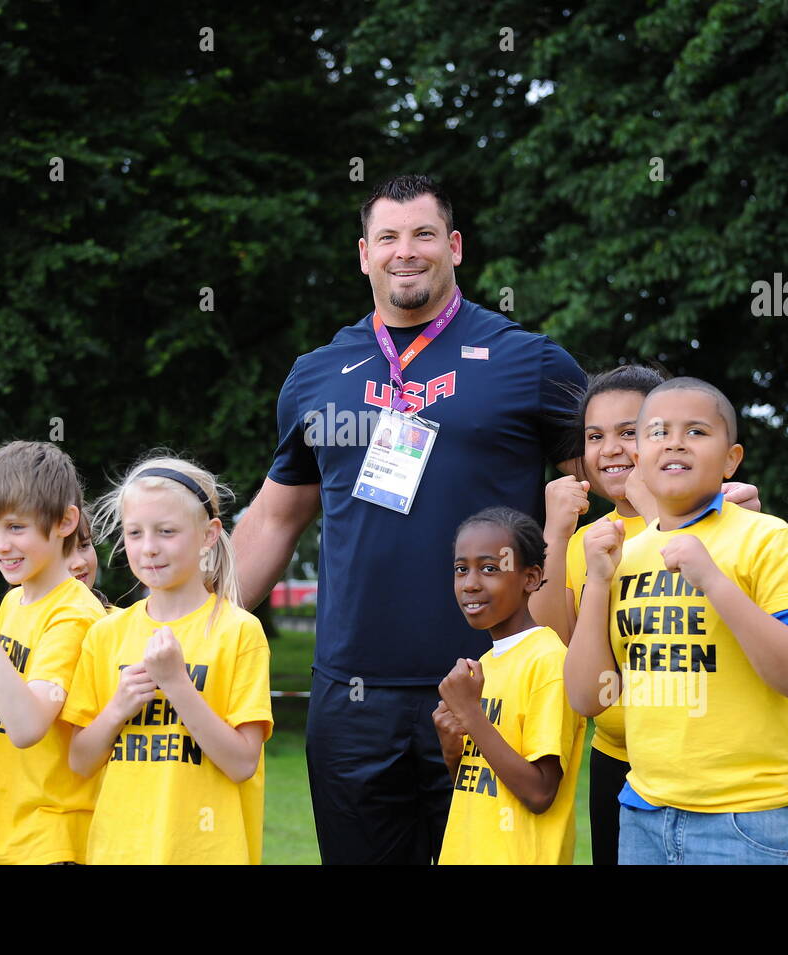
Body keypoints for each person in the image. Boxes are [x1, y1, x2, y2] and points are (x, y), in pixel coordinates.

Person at [231, 173, 587, 864]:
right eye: (387, 237)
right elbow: (275, 520)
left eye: (424, 234)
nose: (406, 251)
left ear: (453, 245)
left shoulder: (532, 361)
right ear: (363, 254)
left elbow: (603, 490)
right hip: (351, 691)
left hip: (494, 679)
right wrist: (194, 627)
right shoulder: (315, 372)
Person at [566, 377, 788, 864]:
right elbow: (588, 698)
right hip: (641, 812)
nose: (675, 442)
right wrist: (599, 583)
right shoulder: (621, 555)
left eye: (697, 432)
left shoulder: (770, 539)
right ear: (639, 459)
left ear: (731, 458)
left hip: (747, 817)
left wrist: (713, 580)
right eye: (658, 431)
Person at [529, 364, 763, 864]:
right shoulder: (588, 542)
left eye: (629, 432)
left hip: (710, 768)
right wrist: (553, 532)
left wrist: (648, 501)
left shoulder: (727, 510)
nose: (610, 448)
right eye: (595, 436)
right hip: (618, 761)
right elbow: (555, 642)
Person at [63, 454, 273, 864]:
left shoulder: (238, 632)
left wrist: (177, 684)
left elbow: (241, 762)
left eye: (167, 532)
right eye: (135, 533)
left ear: (209, 534)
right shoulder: (106, 635)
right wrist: (119, 706)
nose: (149, 549)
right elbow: (80, 760)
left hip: (207, 852)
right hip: (118, 851)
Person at [0, 440, 105, 864]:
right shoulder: (15, 601)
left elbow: (28, 727)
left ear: (66, 522)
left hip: (49, 843)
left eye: (16, 527)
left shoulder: (75, 612)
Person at [434, 507, 583, 864]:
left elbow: (539, 792)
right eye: (460, 569)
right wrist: (451, 749)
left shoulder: (548, 661)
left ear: (531, 578)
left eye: (489, 568)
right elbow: (479, 783)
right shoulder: (485, 665)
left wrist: (470, 714)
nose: (470, 583)